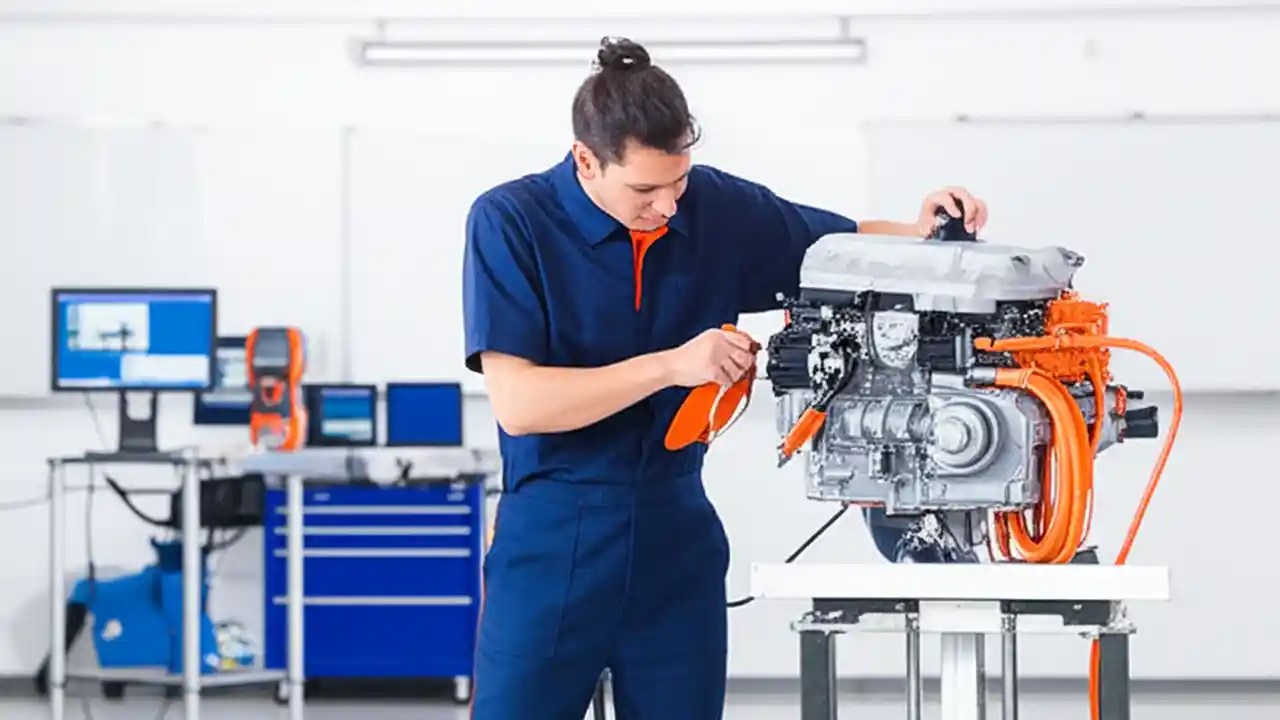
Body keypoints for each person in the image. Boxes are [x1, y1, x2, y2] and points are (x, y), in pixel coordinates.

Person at [461, 36, 989, 720]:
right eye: (645, 190)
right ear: (585, 160)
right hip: (553, 536)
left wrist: (920, 233)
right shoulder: (512, 222)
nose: (668, 206)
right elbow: (521, 403)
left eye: (678, 182)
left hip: (674, 530)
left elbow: (840, 249)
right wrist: (674, 365)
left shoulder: (712, 207)